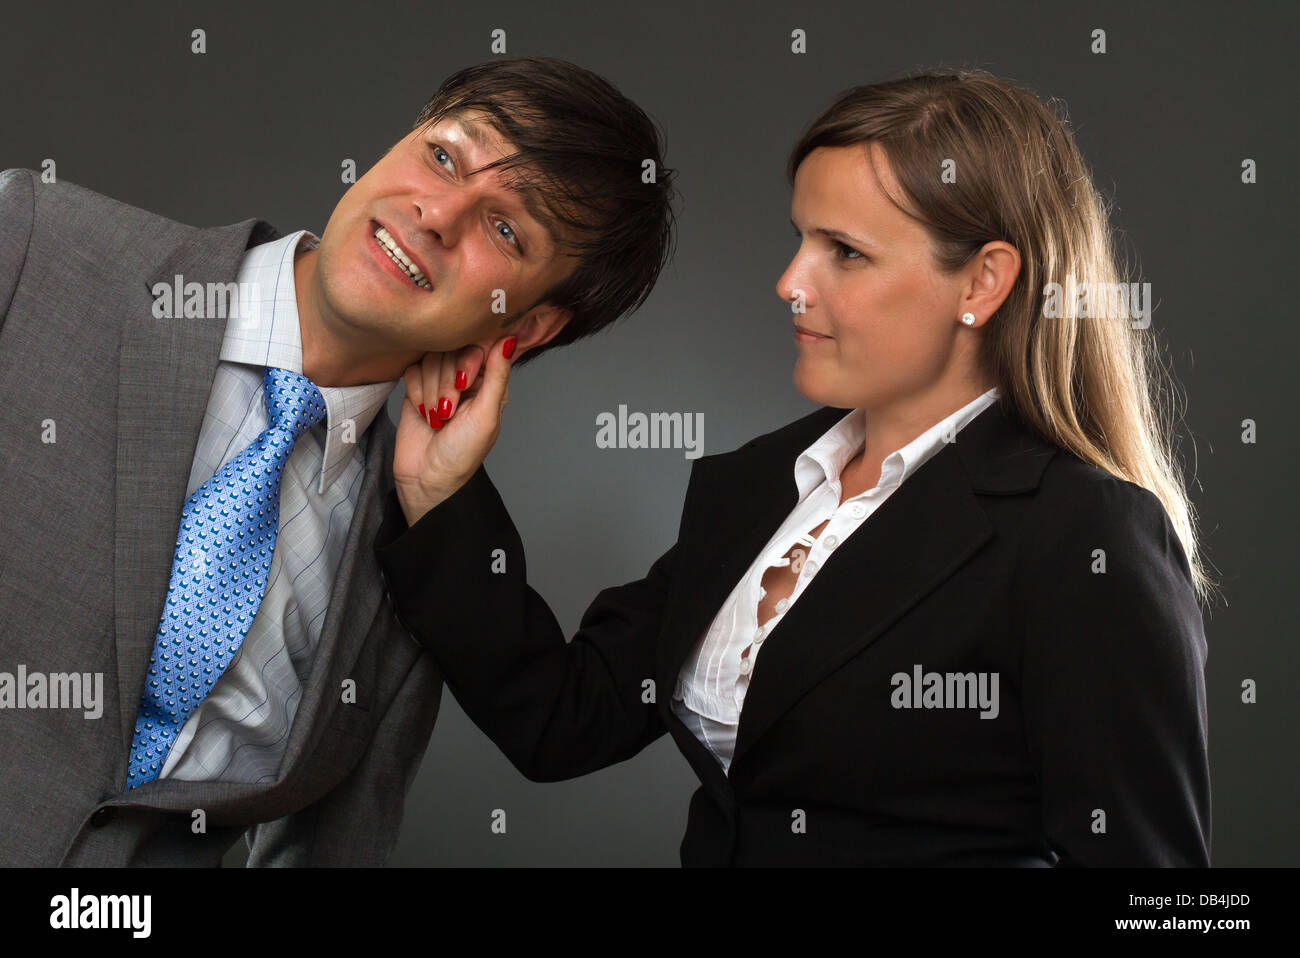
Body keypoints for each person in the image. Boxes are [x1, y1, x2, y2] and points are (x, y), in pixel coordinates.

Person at [376, 69, 1214, 867]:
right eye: (801, 240)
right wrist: (438, 491)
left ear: (984, 282)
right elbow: (563, 719)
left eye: (844, 252)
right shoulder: (757, 487)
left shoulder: (1083, 533)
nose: (789, 283)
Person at [0, 55, 676, 866]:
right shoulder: (36, 244)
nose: (437, 212)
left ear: (526, 328)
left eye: (506, 229)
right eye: (443, 156)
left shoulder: (418, 569)